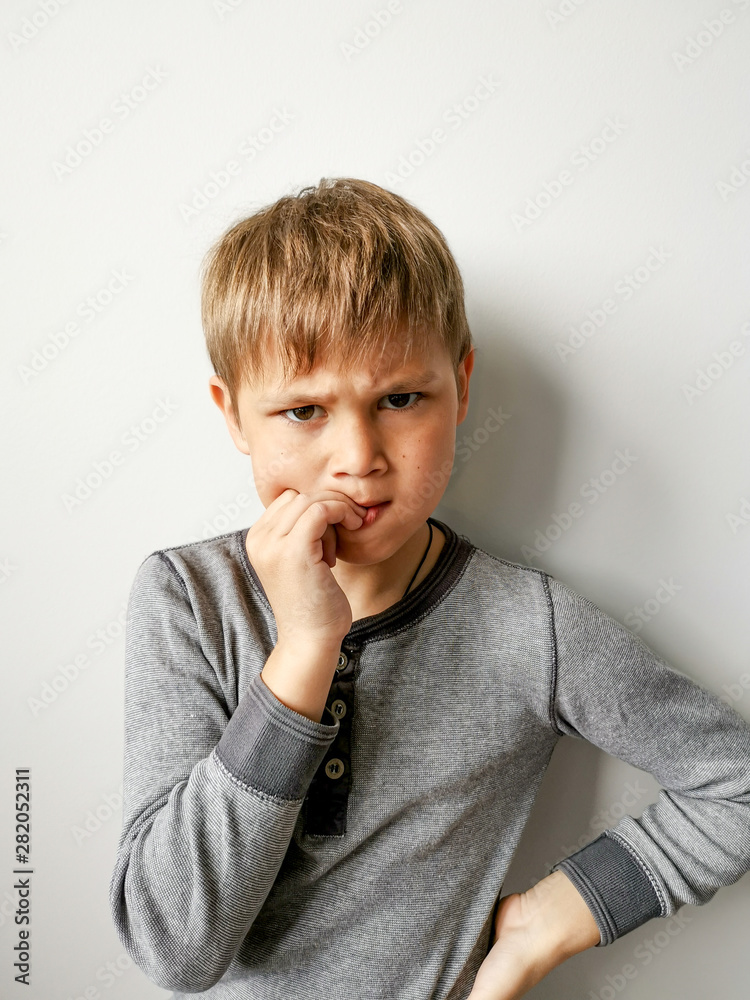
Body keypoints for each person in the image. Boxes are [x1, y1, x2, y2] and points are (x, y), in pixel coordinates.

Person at [108, 177, 750, 1000]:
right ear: (233, 417)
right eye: (304, 411)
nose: (358, 457)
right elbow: (174, 949)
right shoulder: (188, 599)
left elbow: (734, 782)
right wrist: (303, 653)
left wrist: (550, 923)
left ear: (462, 386)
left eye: (401, 399)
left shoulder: (529, 628)